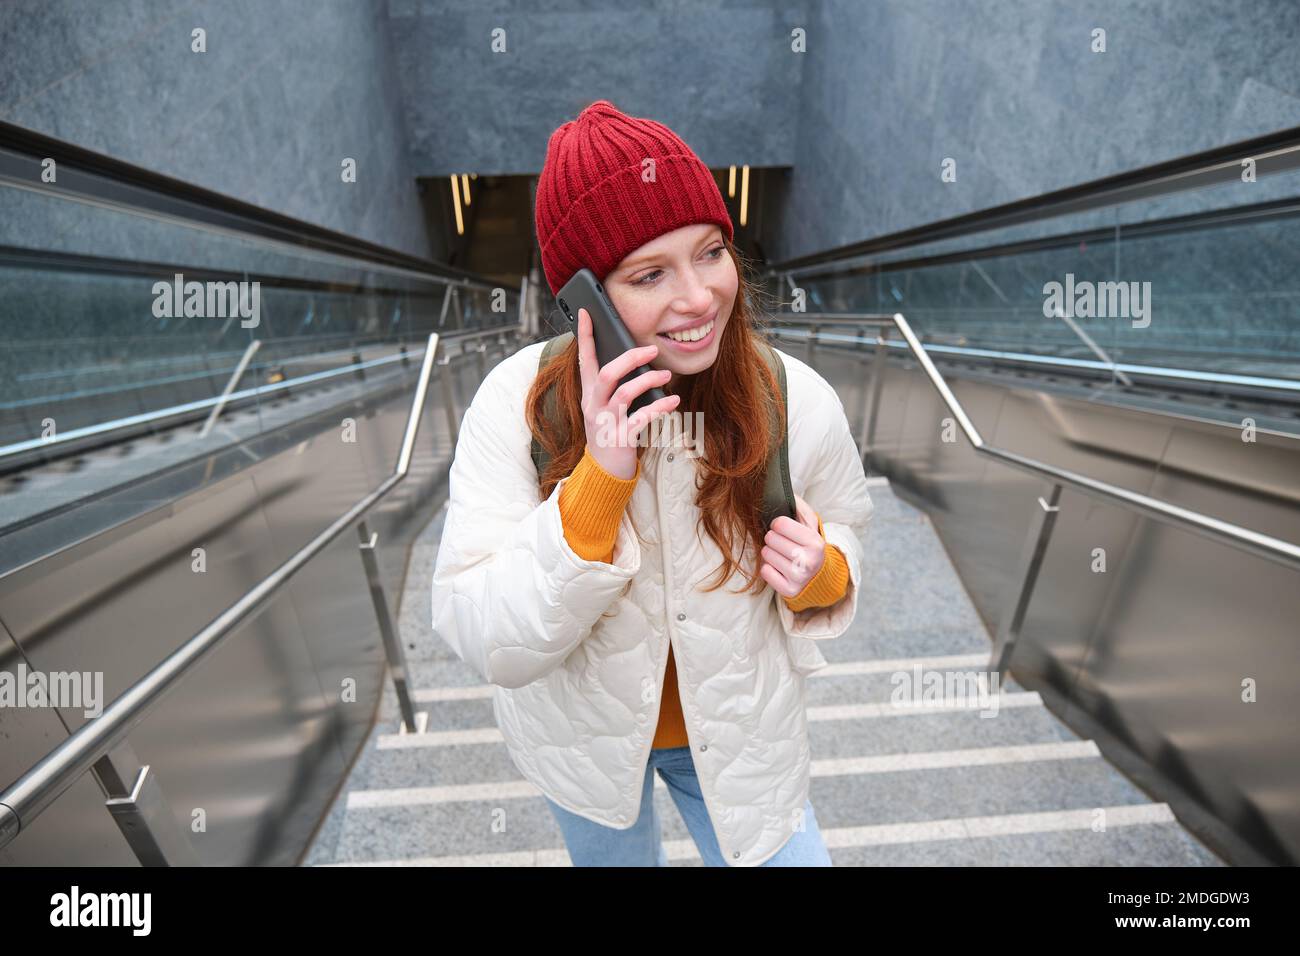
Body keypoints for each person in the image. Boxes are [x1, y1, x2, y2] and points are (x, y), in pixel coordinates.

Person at [431, 99, 874, 866]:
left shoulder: (791, 394)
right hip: (584, 743)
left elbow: (845, 533)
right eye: (649, 274)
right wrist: (599, 480)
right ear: (583, 300)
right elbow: (482, 631)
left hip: (742, 740)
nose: (700, 297)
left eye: (710, 252)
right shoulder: (517, 403)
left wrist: (822, 573)